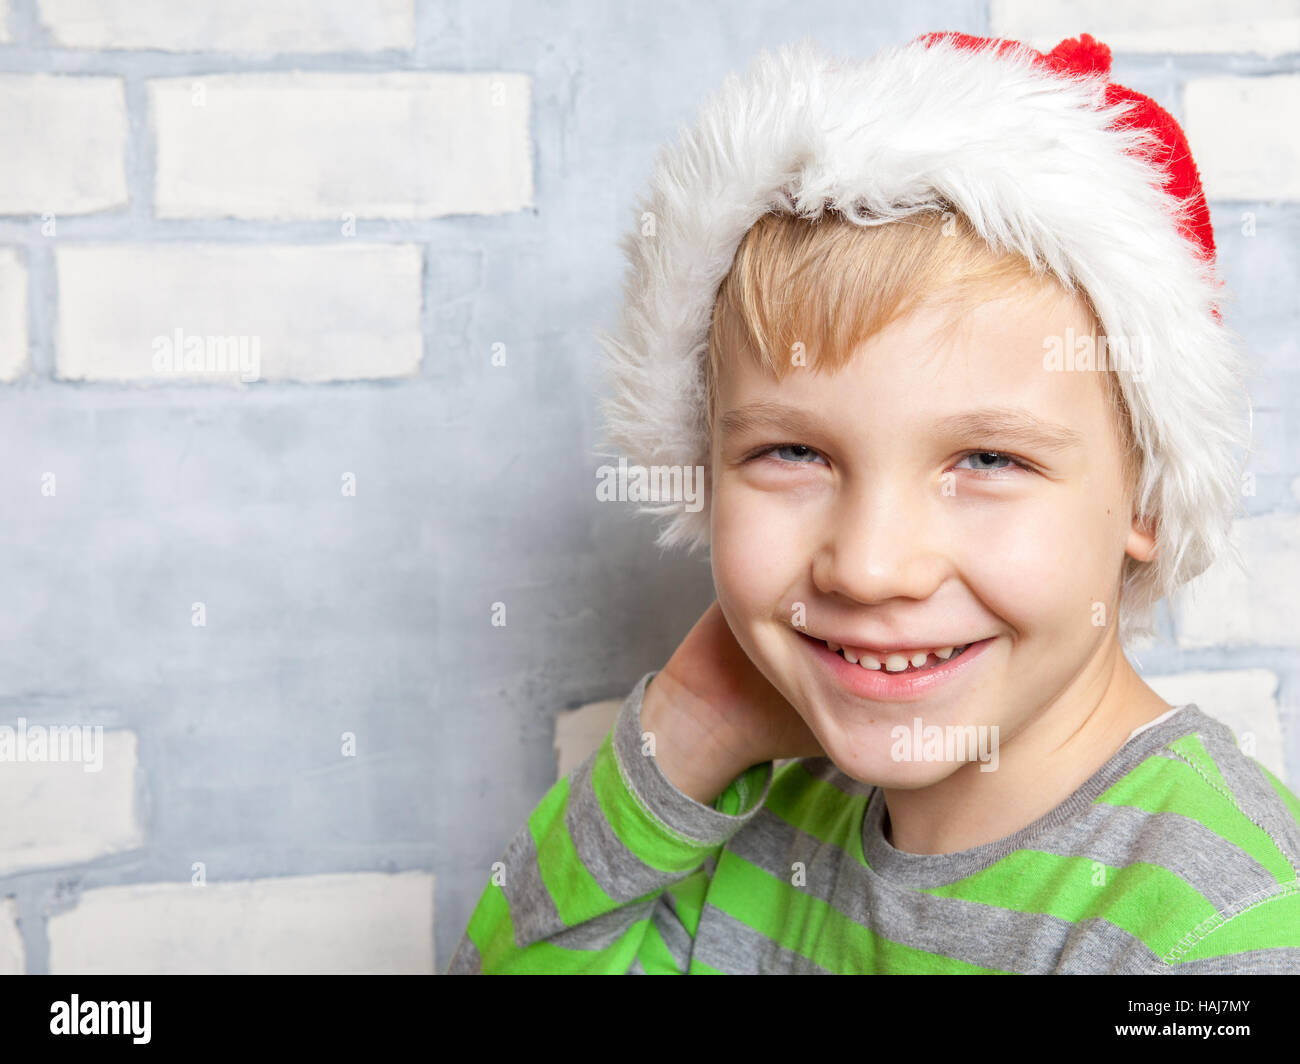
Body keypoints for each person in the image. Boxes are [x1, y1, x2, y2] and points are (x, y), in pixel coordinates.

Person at [447, 30, 1300, 973]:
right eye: (793, 451)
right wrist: (690, 725)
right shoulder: (758, 821)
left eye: (986, 459)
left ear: (1146, 492)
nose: (870, 564)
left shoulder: (1219, 927)